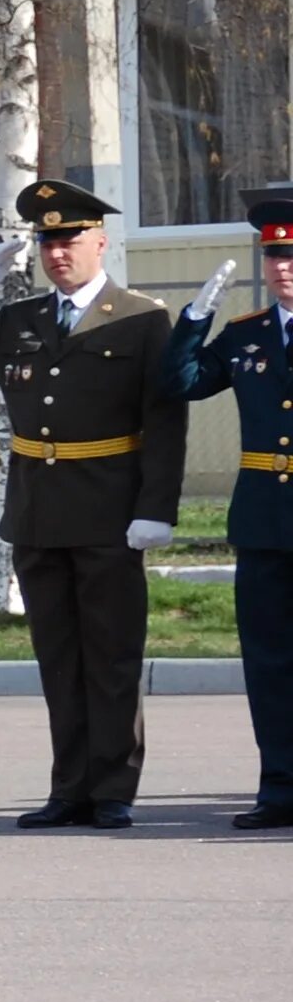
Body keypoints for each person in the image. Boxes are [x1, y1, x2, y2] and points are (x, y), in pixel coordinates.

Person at [0, 181, 187, 827]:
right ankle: (69, 786)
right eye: (47, 240)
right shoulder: (21, 320)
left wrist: (156, 506)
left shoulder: (140, 318)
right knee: (59, 658)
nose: (57, 251)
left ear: (100, 242)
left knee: (111, 657)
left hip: (109, 509)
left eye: (70, 238)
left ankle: (112, 789)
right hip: (40, 513)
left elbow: (163, 421)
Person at [158, 185, 293, 827]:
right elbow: (179, 384)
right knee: (270, 664)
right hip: (266, 524)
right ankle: (280, 789)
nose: (282, 268)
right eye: (273, 258)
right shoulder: (247, 335)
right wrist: (194, 320)